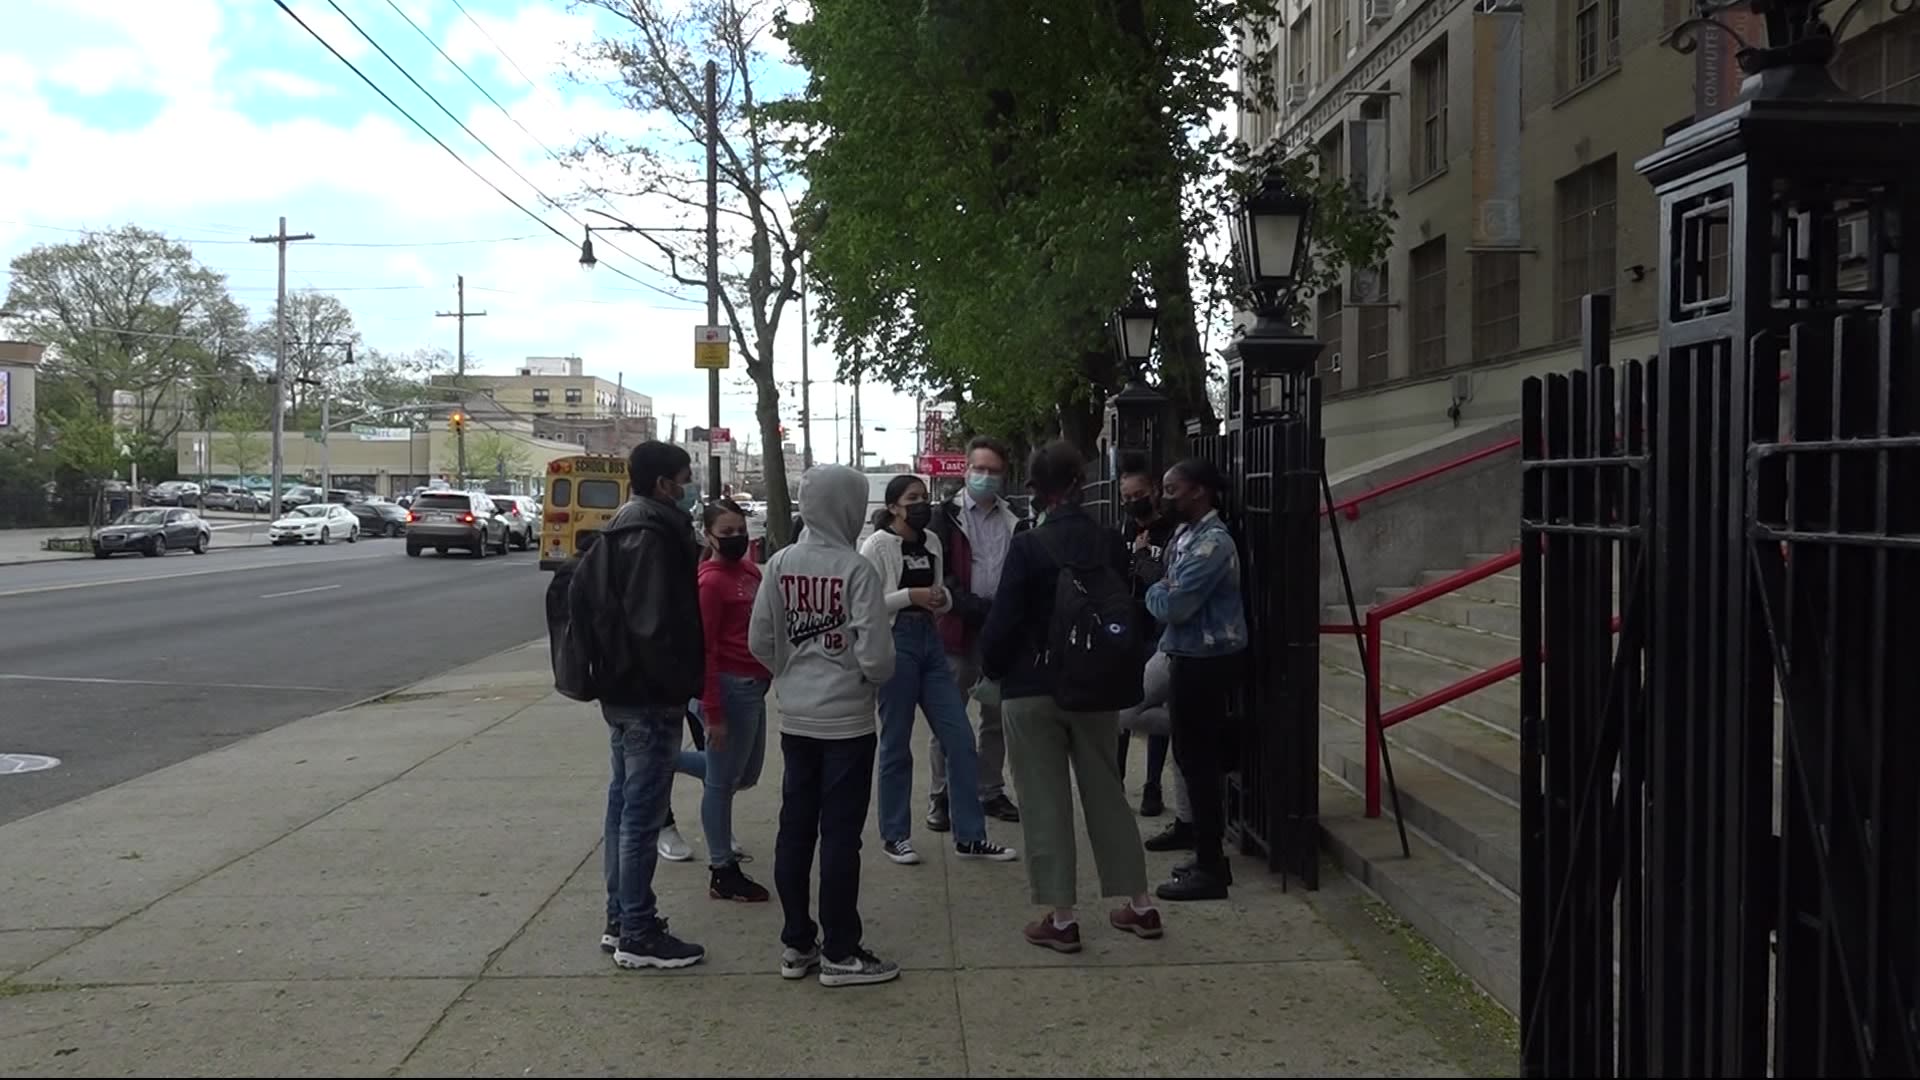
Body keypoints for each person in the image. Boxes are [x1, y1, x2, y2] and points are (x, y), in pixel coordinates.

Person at [979, 440, 1161, 952]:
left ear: (1034, 490)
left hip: (1031, 687)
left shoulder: (1028, 544)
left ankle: (1062, 917)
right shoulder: (1109, 540)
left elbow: (1003, 623)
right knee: (1106, 791)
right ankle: (1140, 905)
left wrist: (992, 670)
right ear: (1081, 483)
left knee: (1044, 802)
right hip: (1098, 686)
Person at [750, 464, 902, 987]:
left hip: (797, 719)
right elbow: (878, 657)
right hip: (848, 722)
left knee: (795, 828)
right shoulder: (855, 570)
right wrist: (863, 678)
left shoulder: (778, 563)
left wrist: (789, 676)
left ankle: (797, 943)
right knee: (841, 835)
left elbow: (760, 640)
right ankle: (841, 948)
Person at [570, 440, 707, 969]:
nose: (689, 486)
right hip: (648, 697)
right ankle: (637, 930)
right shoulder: (652, 534)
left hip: (623, 691)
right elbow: (655, 626)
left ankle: (620, 918)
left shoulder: (623, 524)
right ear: (663, 485)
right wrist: (680, 684)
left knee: (624, 808)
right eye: (685, 477)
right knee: (640, 817)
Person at [860, 475, 1019, 866]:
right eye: (912, 498)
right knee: (896, 742)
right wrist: (910, 596)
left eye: (923, 497)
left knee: (960, 738)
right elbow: (867, 606)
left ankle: (970, 835)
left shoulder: (931, 542)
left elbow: (940, 593)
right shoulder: (877, 546)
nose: (921, 505)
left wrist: (941, 598)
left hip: (931, 640)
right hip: (897, 643)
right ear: (894, 506)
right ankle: (895, 835)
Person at [1147, 457, 1249, 902]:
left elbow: (1175, 605)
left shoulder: (1213, 543)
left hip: (1207, 658)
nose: (1164, 497)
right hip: (1186, 654)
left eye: (1173, 489)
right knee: (1189, 757)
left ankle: (1211, 867)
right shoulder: (1186, 536)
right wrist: (1164, 586)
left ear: (1199, 491)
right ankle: (1205, 852)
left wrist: (1154, 585)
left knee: (1199, 762)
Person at [673, 498, 772, 902]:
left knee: (743, 776)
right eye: (726, 533)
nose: (735, 538)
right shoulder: (709, 582)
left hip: (754, 686)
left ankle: (664, 759)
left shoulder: (749, 570)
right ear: (708, 535)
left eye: (740, 530)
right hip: (729, 688)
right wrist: (712, 712)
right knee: (721, 781)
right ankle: (722, 870)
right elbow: (706, 650)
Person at [927, 435, 1026, 830]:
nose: (985, 476)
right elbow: (943, 574)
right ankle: (942, 795)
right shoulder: (946, 516)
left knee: (995, 717)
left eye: (994, 471)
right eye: (979, 469)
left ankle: (989, 790)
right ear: (966, 469)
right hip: (956, 630)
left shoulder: (1014, 519)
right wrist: (974, 607)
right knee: (948, 717)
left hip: (999, 634)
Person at [1114, 457, 1179, 819]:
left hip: (1157, 631)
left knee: (1154, 708)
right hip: (1125, 629)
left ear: (1153, 491)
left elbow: (1167, 581)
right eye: (1127, 496)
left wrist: (1142, 559)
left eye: (1139, 494)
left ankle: (1152, 784)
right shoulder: (1121, 530)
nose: (1133, 501)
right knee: (1122, 707)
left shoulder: (1168, 533)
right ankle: (1116, 780)